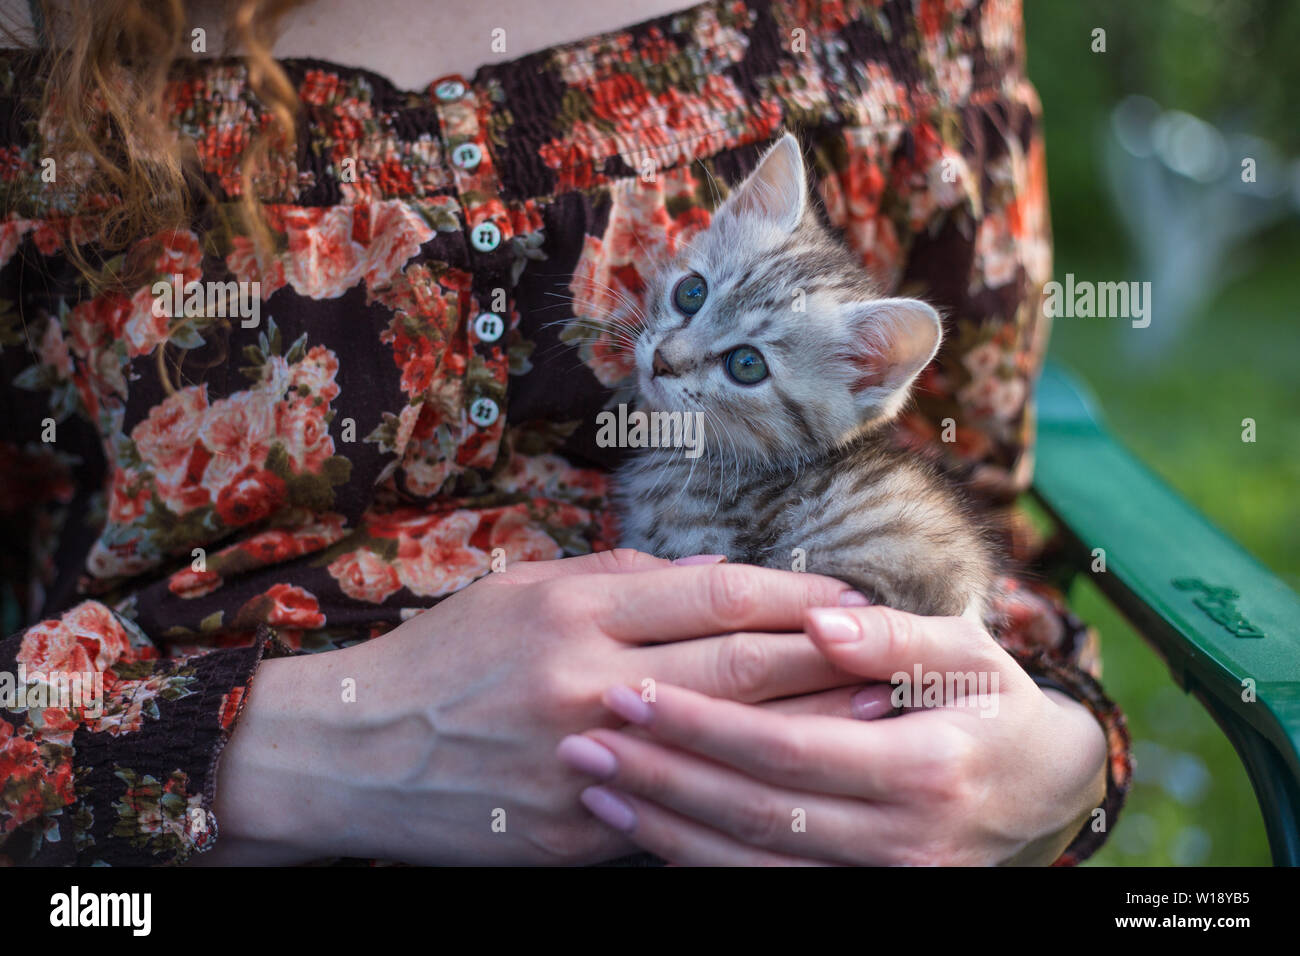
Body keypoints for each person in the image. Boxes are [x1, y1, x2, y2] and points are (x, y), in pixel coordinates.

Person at [0, 0, 1130, 866]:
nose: (671, 357)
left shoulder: (899, 27)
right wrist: (290, 747)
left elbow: (985, 564)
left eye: (733, 359)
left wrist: (1038, 773)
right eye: (686, 309)